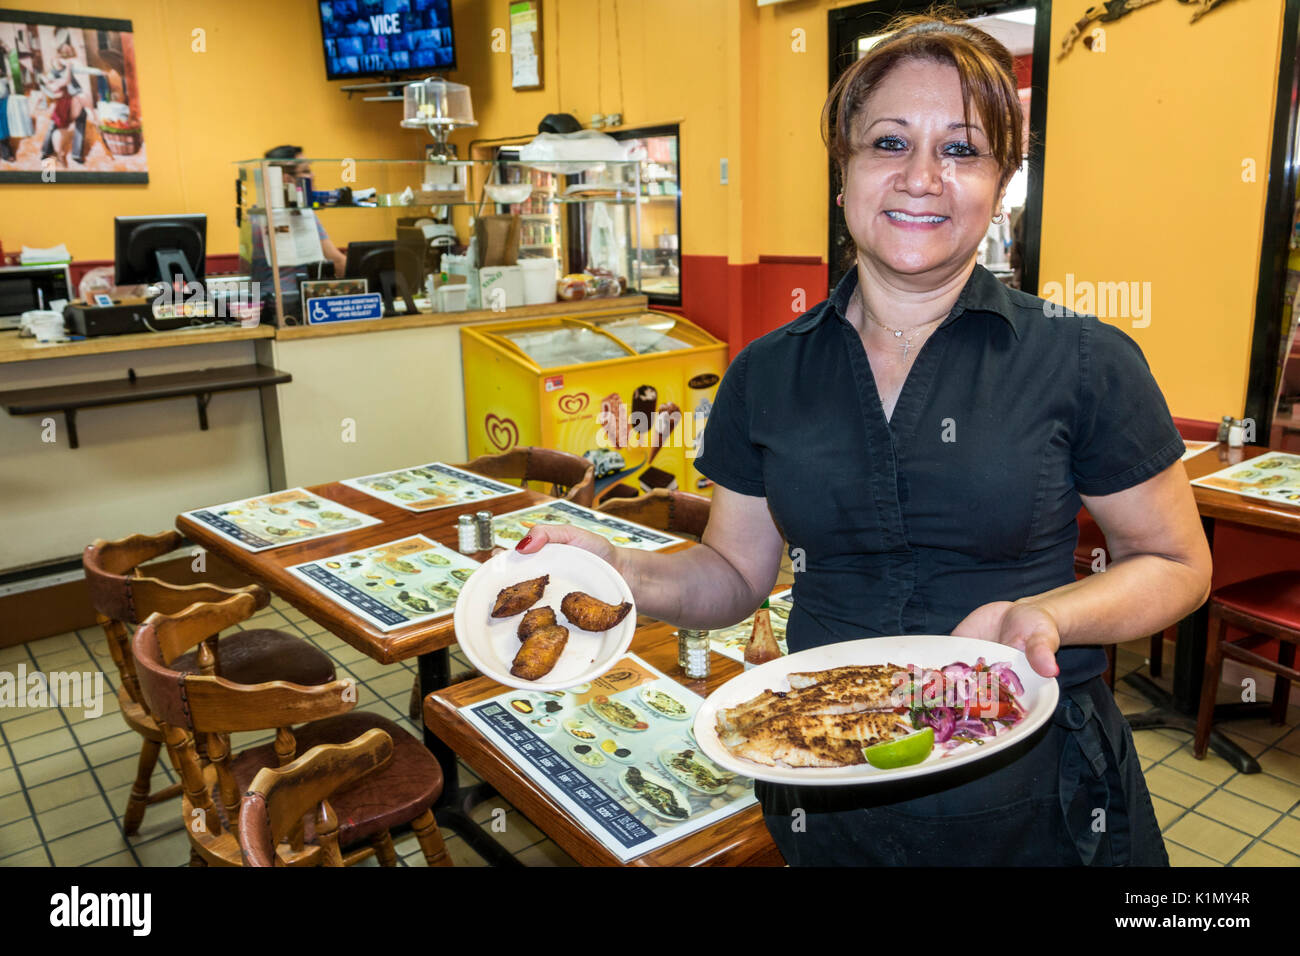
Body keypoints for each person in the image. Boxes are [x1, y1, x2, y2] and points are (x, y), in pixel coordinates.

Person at [517, 13, 1212, 866]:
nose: (923, 177)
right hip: (823, 774)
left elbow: (1179, 565)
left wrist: (1049, 614)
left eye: (962, 150)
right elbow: (735, 576)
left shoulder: (1083, 358)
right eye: (889, 142)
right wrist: (617, 569)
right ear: (842, 173)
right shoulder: (767, 373)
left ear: (999, 184)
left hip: (1037, 798)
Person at [248, 145, 346, 319]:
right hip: (288, 307)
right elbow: (336, 261)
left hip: (271, 305)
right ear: (287, 179)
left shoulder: (255, 215)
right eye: (306, 171)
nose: (313, 176)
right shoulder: (301, 214)